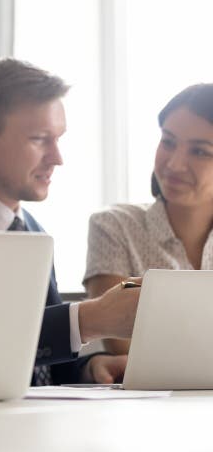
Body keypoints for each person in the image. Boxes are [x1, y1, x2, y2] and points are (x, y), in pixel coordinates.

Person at [0, 58, 139, 385]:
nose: (58, 158)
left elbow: (42, 365)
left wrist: (90, 368)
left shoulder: (34, 233)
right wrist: (89, 318)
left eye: (58, 138)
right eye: (39, 139)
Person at [85, 83, 213, 354]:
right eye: (168, 142)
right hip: (152, 397)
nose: (174, 164)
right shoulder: (115, 227)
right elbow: (123, 348)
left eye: (200, 151)